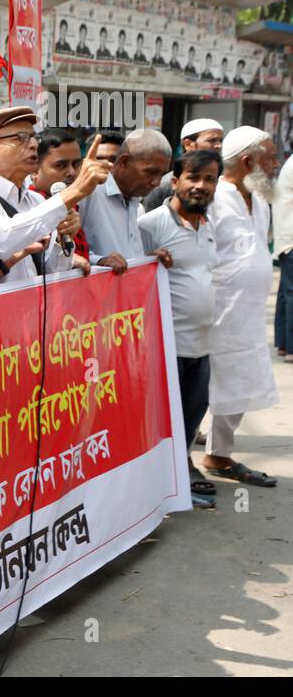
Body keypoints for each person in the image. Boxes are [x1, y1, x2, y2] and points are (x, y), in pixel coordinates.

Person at [137, 150, 223, 508]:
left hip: (201, 345)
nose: (201, 186)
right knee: (162, 420)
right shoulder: (152, 224)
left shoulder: (208, 224)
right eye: (194, 177)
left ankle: (181, 471)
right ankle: (160, 488)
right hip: (166, 345)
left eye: (210, 180)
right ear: (175, 182)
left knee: (191, 415)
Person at [203, 127, 280, 487]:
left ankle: (219, 454)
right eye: (270, 156)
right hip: (216, 309)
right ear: (247, 161)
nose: (276, 163)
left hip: (247, 311)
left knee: (239, 382)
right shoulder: (213, 197)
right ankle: (185, 459)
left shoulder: (259, 196)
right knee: (203, 384)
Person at [0, 107, 103, 285]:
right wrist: (74, 192)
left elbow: (53, 271)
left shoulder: (36, 201)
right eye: (20, 138)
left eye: (33, 137)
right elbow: (3, 240)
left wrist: (62, 239)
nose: (34, 144)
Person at [80, 129, 174, 273]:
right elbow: (66, 253)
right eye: (151, 172)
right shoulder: (89, 191)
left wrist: (146, 260)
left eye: (162, 174)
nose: (157, 182)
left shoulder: (135, 201)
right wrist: (100, 260)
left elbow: (125, 258)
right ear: (124, 162)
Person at [143, 118, 225, 212]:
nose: (218, 146)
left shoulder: (224, 183)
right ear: (188, 144)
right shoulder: (164, 184)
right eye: (212, 140)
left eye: (220, 141)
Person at [32, 130, 90, 260]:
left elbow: (80, 257)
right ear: (35, 169)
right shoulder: (28, 210)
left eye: (76, 164)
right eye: (61, 165)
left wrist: (99, 260)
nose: (71, 172)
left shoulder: (72, 206)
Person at [274, 152, 293, 361]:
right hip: (291, 239)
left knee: (286, 292)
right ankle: (291, 347)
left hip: (286, 237)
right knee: (291, 293)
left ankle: (284, 344)